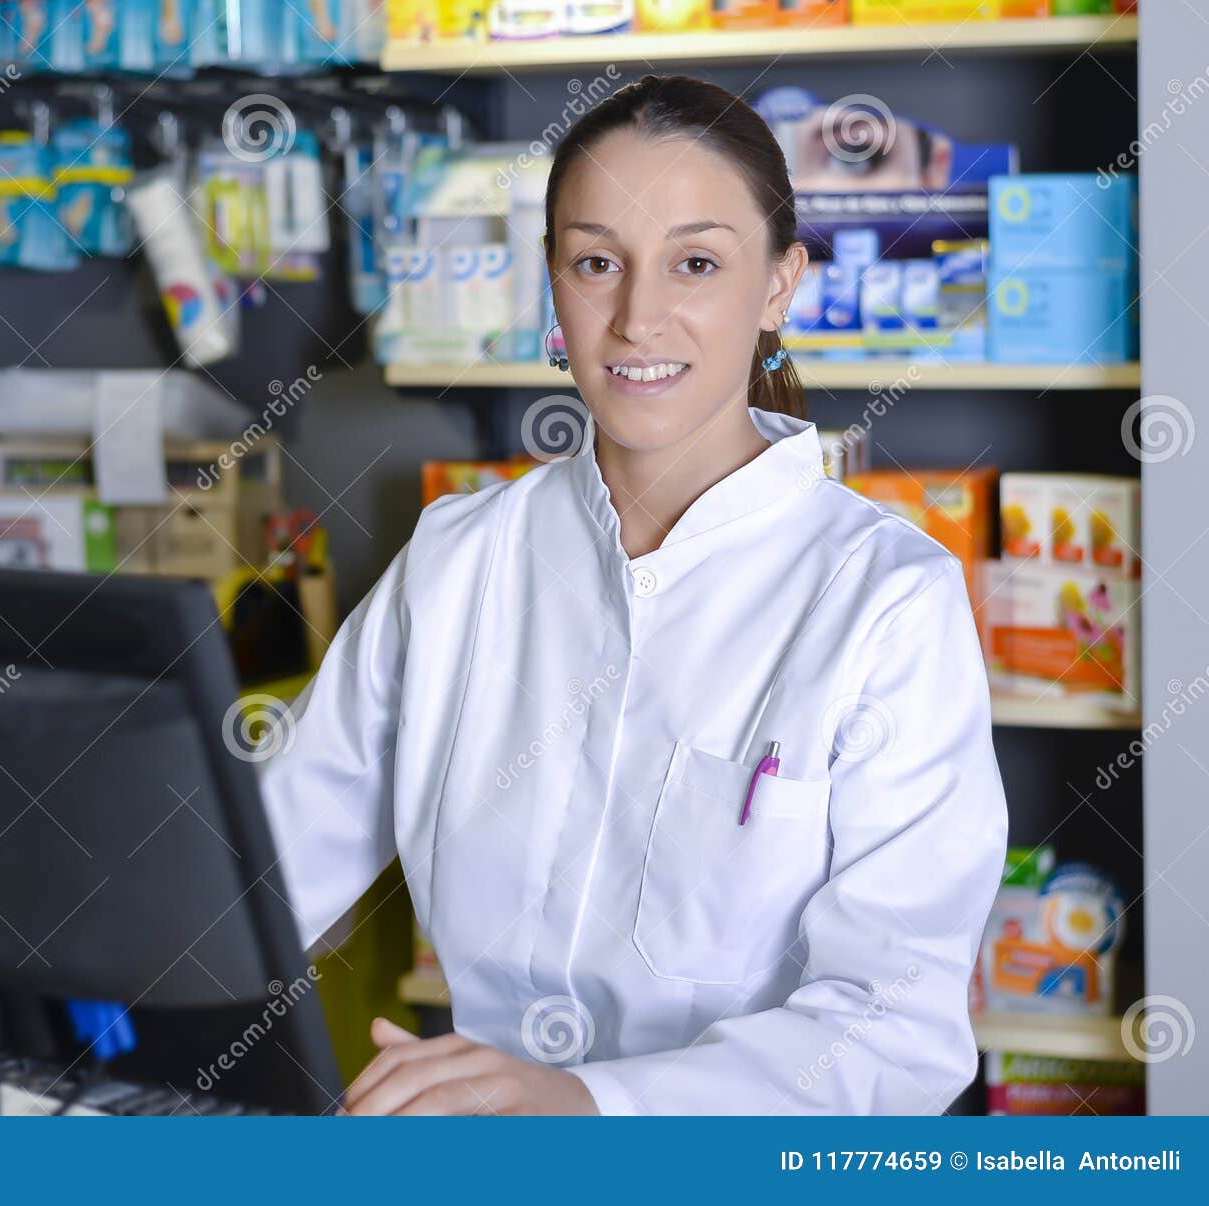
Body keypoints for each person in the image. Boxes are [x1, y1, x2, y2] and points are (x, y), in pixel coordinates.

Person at [257, 73, 1007, 1116]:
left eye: (695, 263)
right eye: (596, 263)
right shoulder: (458, 559)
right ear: (553, 282)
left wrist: (589, 1104)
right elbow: (261, 874)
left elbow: (896, 1030)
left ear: (780, 284)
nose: (636, 318)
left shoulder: (883, 598)